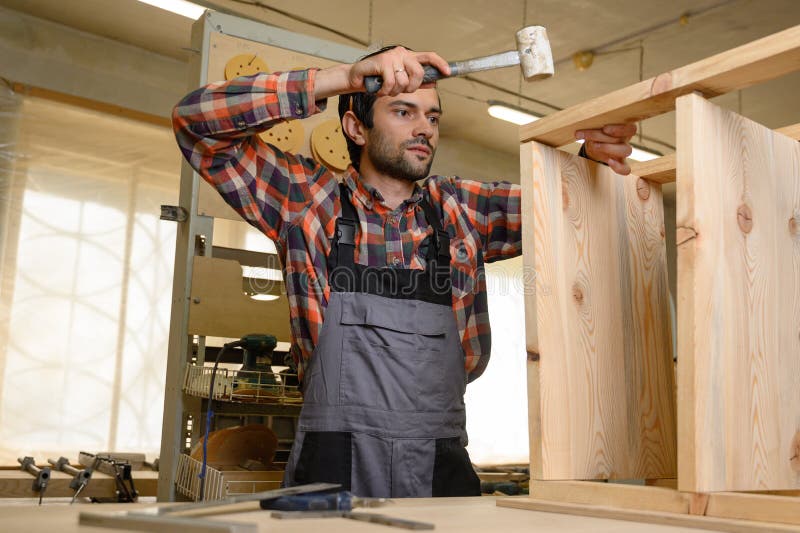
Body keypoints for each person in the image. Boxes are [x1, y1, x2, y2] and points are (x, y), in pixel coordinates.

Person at [173, 45, 636, 498]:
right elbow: (196, 125)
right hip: (333, 468)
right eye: (403, 112)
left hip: (440, 465)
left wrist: (591, 160)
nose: (425, 129)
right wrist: (342, 78)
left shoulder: (461, 210)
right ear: (355, 126)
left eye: (432, 117)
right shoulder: (307, 205)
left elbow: (566, 206)